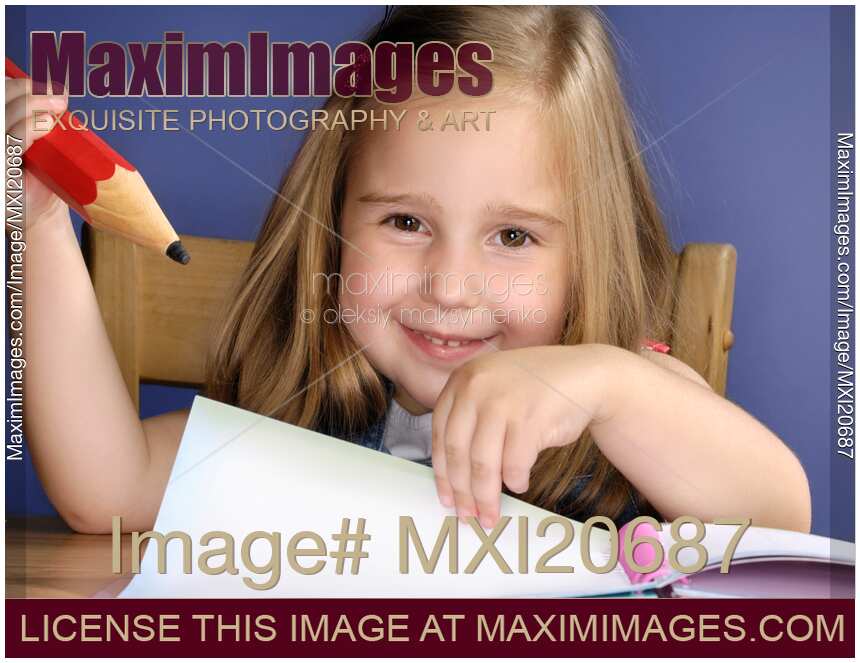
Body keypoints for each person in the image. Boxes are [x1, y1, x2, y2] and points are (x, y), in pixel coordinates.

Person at [14, 6, 811, 535]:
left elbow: (780, 516)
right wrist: (40, 220)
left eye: (513, 236)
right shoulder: (306, 423)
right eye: (405, 222)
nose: (451, 285)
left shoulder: (628, 407)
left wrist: (605, 385)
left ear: (586, 256)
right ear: (332, 224)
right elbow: (107, 489)